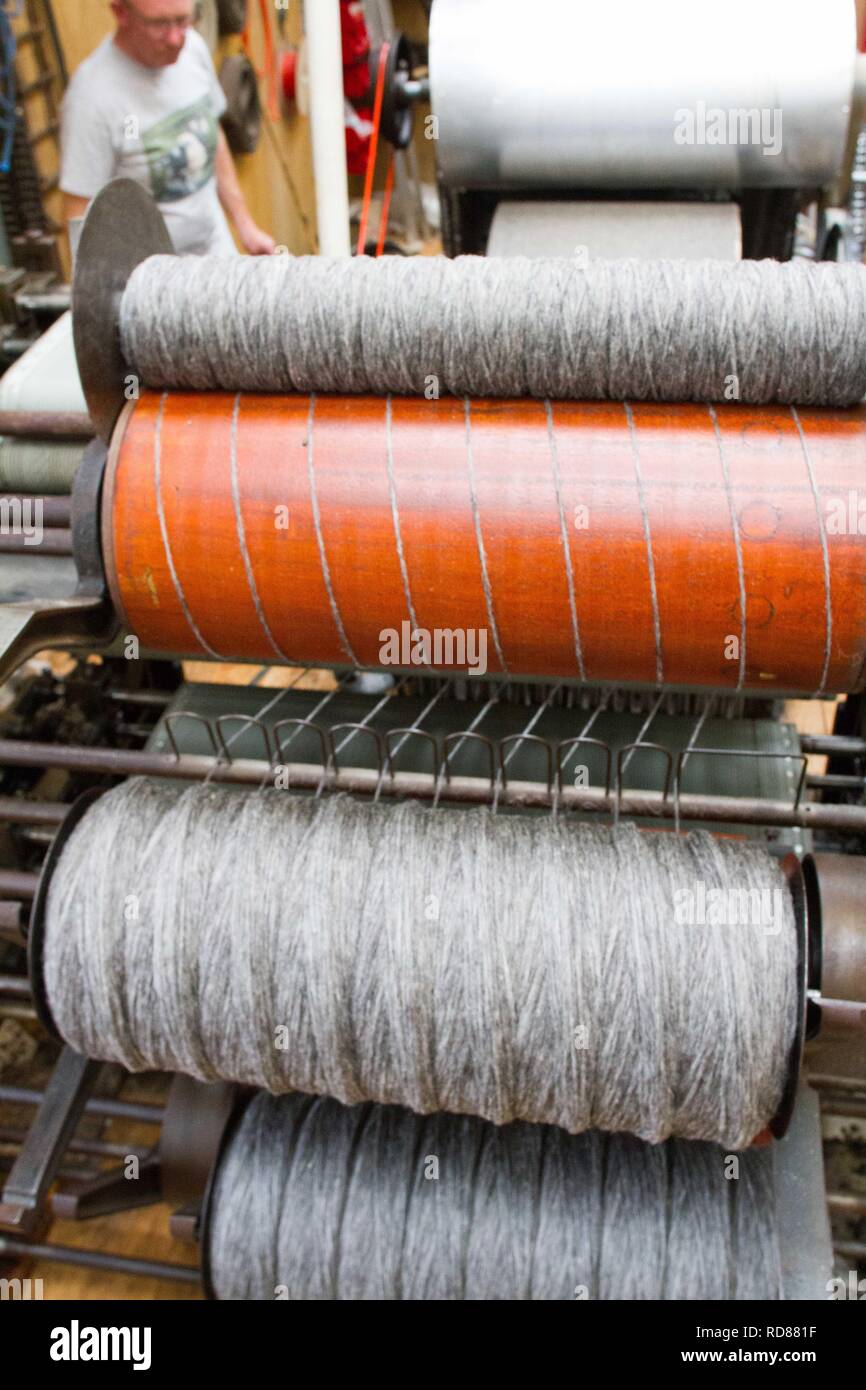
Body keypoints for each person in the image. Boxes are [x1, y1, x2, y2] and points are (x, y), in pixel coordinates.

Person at [60, 0, 275, 256]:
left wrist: (244, 223)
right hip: (150, 273)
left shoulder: (193, 48)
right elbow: (78, 213)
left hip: (215, 249)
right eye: (159, 24)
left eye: (183, 20)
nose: (175, 39)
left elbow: (211, 131)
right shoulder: (93, 98)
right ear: (121, 13)